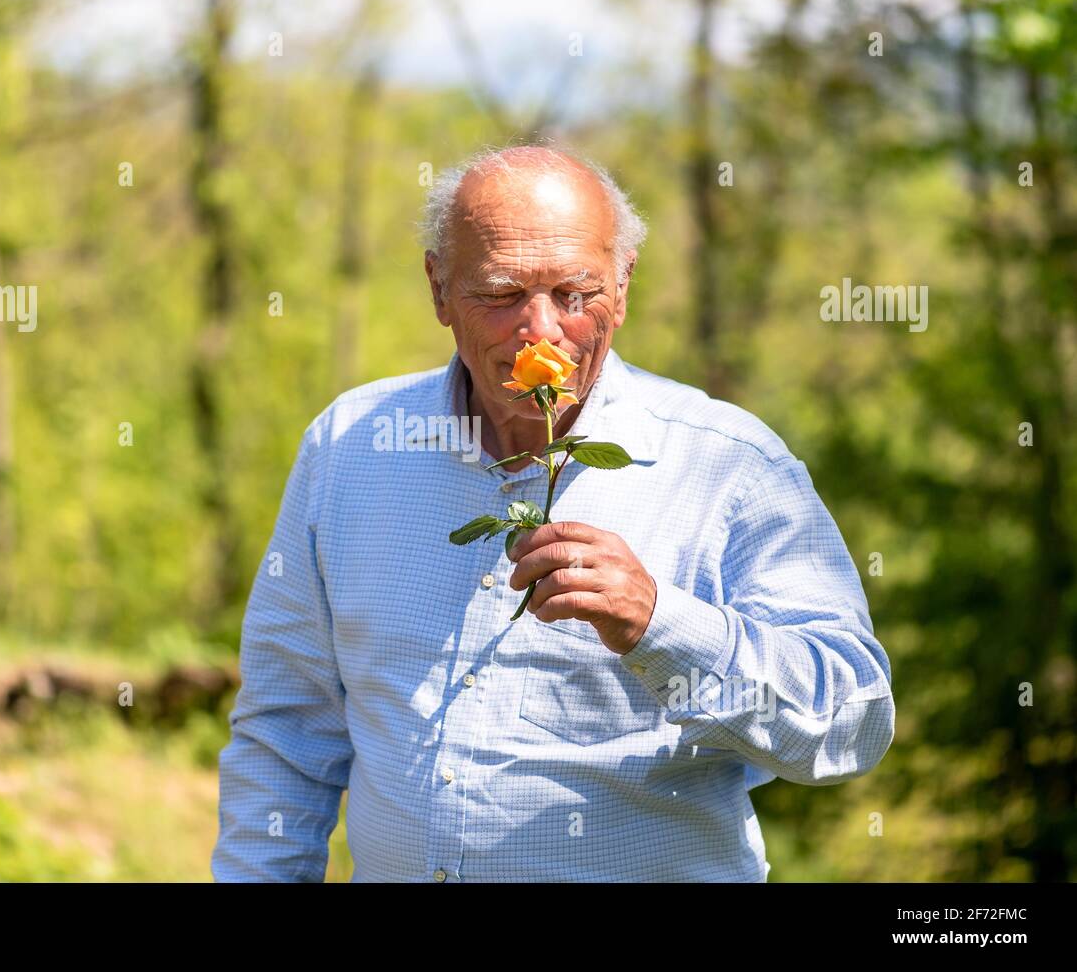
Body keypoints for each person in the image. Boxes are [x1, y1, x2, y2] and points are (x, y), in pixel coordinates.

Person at [211, 144, 895, 882]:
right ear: (439, 288)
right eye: (502, 293)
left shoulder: (728, 465)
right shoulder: (350, 447)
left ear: (624, 286)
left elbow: (851, 723)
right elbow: (287, 731)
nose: (542, 330)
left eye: (576, 292)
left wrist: (661, 623)